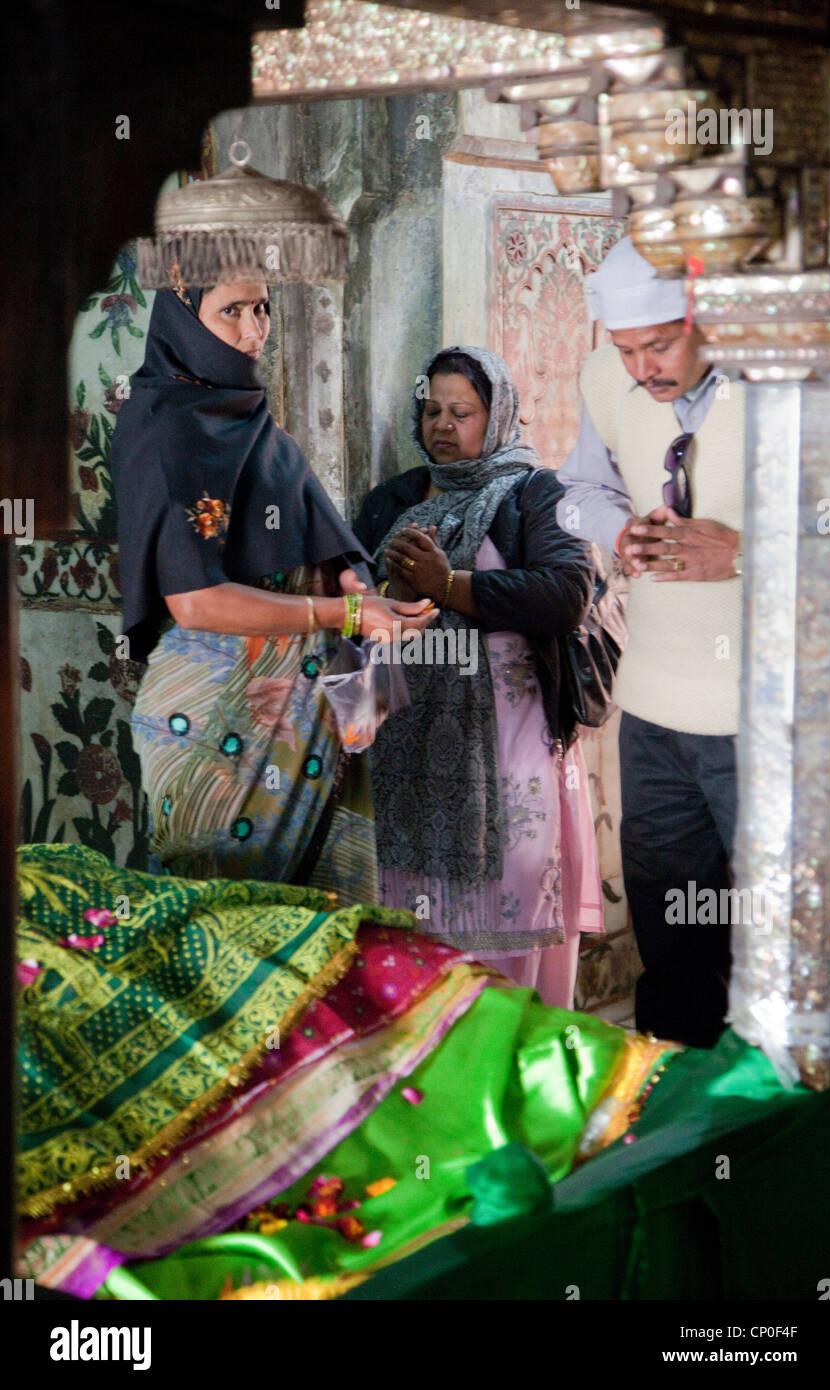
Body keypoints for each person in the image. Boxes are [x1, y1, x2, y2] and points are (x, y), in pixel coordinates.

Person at [111, 277, 435, 897]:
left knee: (315, 936)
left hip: (303, 716)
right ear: (182, 319)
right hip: (212, 721)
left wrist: (364, 595)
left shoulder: (254, 423)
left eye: (260, 308)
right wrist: (345, 614)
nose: (253, 328)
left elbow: (326, 539)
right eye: (229, 310)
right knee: (225, 934)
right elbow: (195, 600)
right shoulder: (163, 428)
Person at [354, 346, 603, 1008]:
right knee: (415, 917)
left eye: (461, 412)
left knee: (507, 898)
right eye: (431, 410)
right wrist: (390, 590)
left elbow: (565, 594)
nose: (442, 424)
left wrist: (450, 584)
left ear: (497, 416)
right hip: (403, 745)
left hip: (506, 743)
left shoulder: (535, 492)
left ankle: (516, 1062)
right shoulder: (393, 500)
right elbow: (349, 601)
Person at [558, 235, 744, 1047]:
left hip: (764, 716)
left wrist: (743, 552)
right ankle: (679, 1114)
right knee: (670, 936)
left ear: (707, 314)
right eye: (625, 348)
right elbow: (574, 491)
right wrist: (619, 529)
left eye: (659, 344)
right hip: (654, 713)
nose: (640, 369)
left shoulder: (793, 383)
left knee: (776, 934)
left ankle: (789, 1124)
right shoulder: (610, 379)